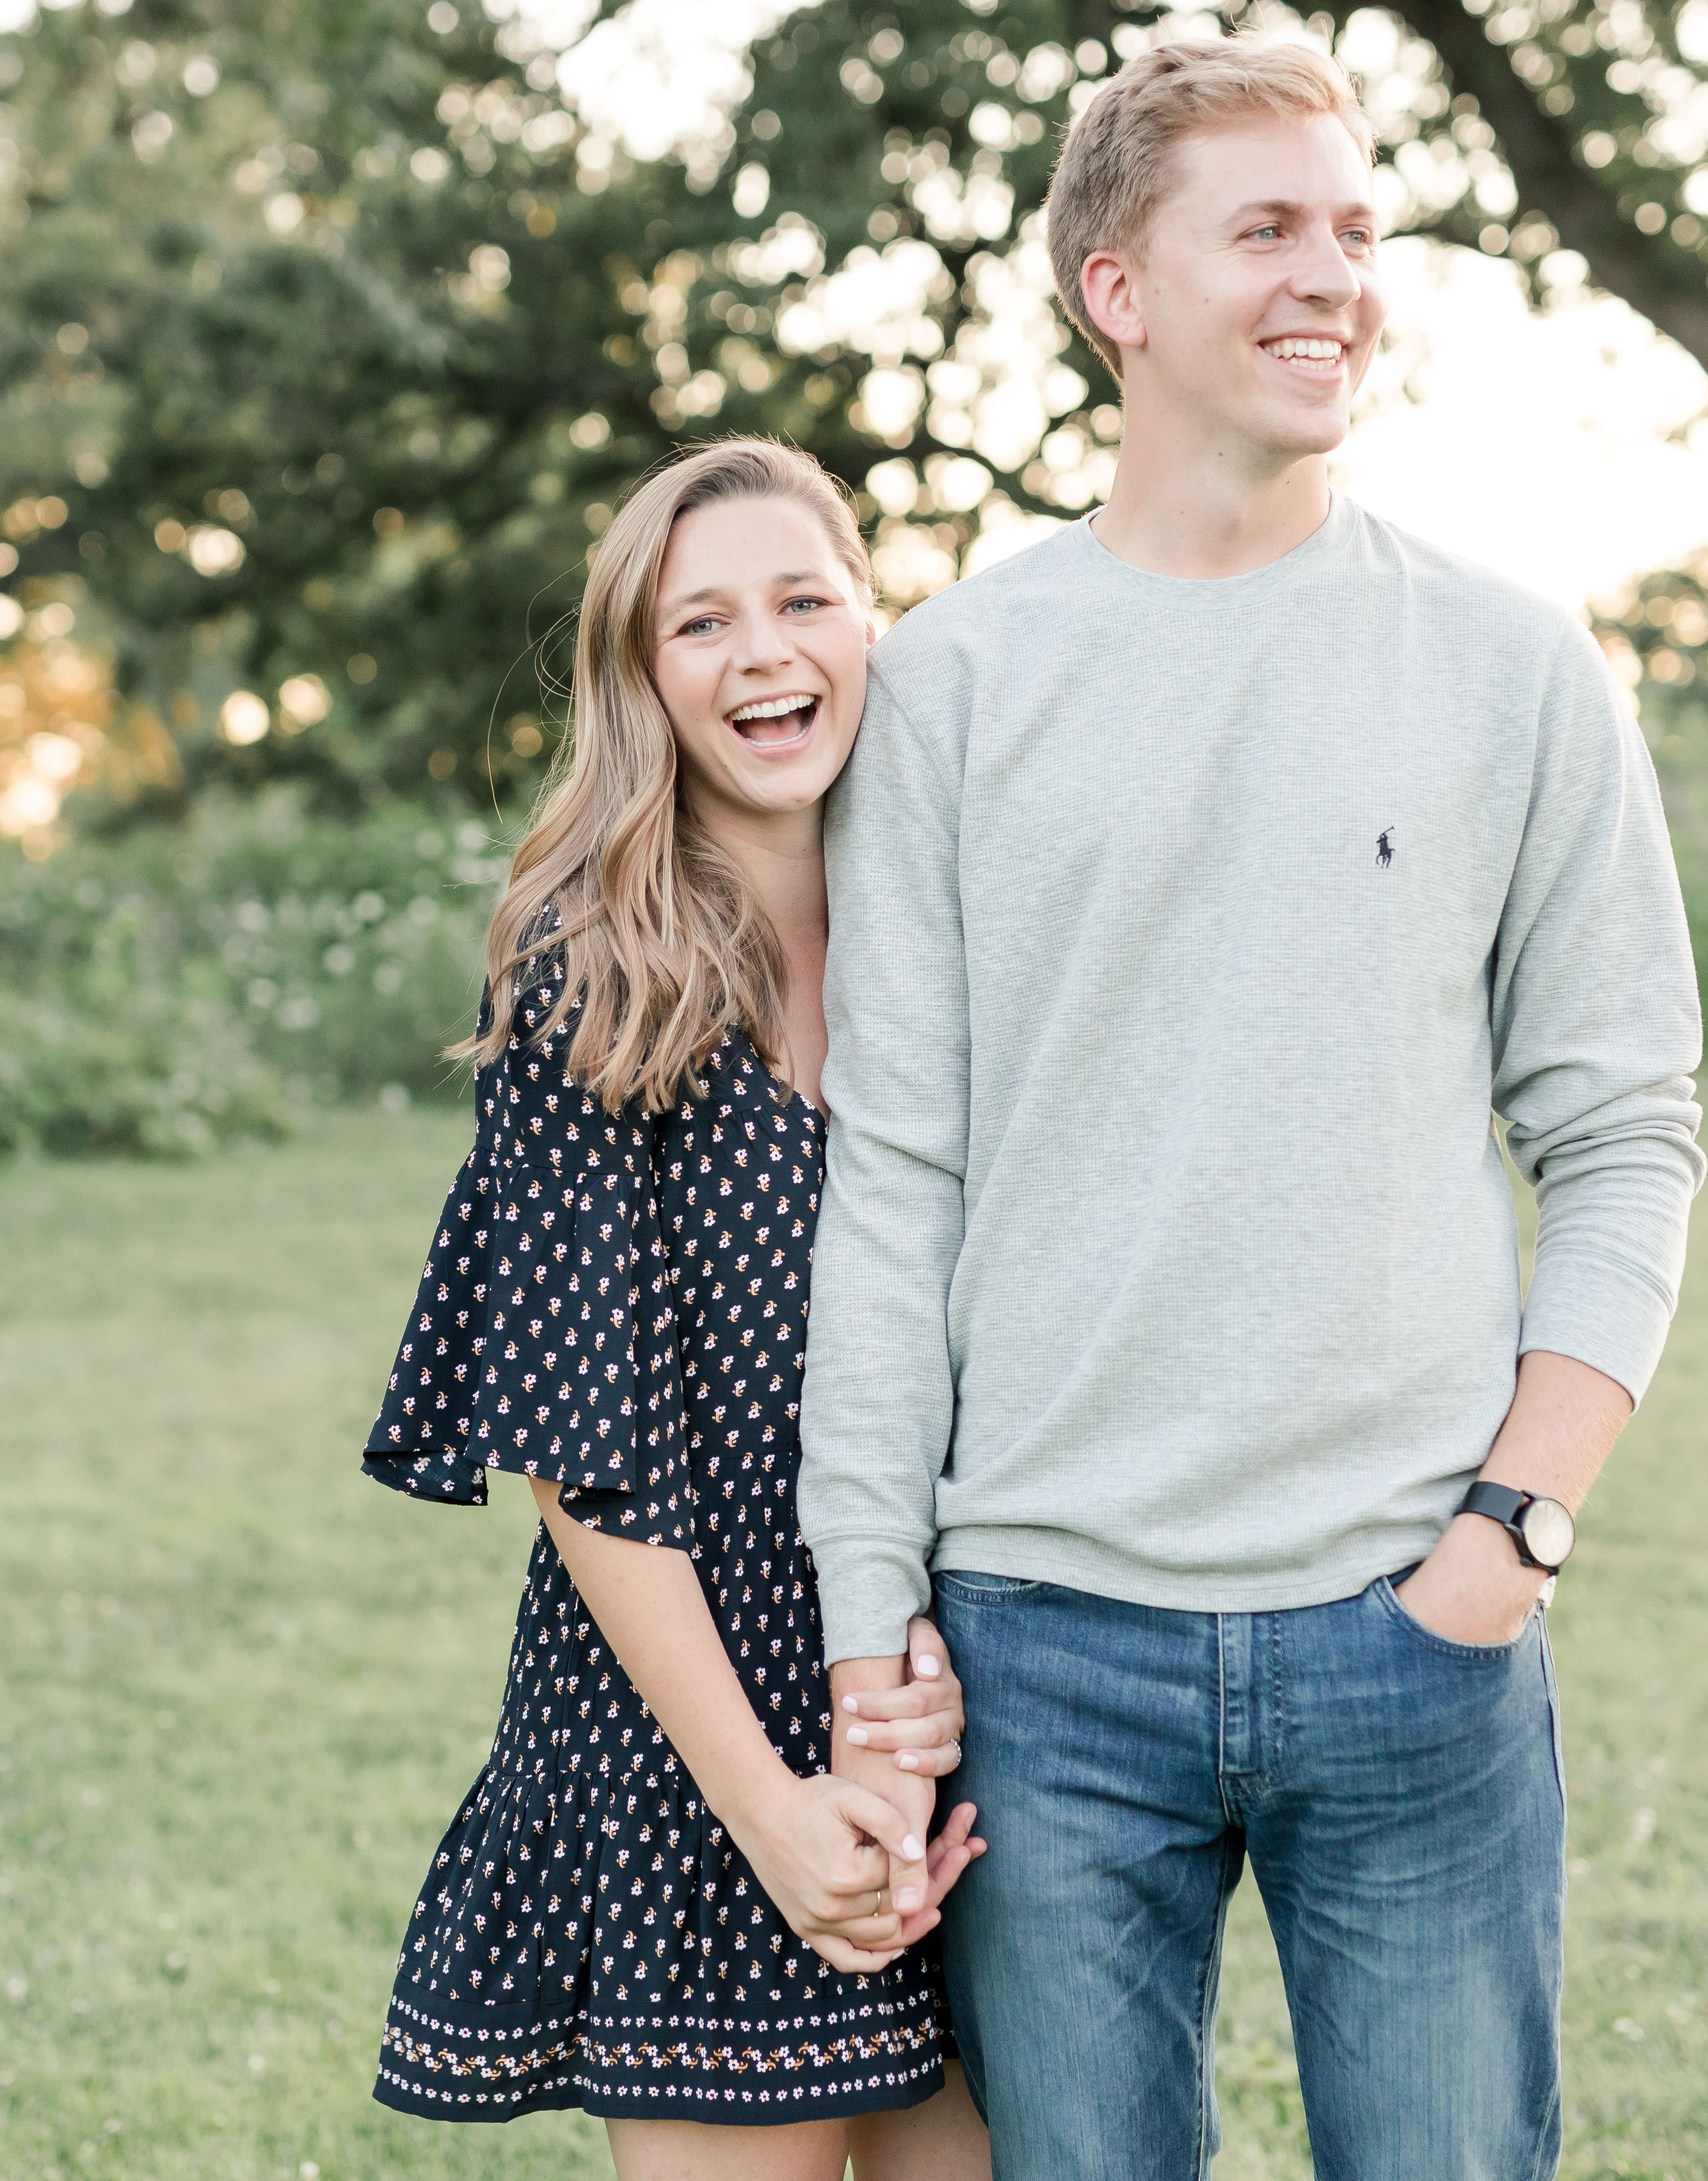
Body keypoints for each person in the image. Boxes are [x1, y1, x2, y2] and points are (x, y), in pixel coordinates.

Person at [799, 32, 1708, 2181]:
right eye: (1270, 229)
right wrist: (867, 1622)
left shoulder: (1509, 666)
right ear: (1118, 291)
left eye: (1360, 230)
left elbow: (1624, 1124)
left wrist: (1513, 1528)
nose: (1338, 277)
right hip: (1038, 1648)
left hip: (1413, 1626)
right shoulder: (950, 683)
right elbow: (892, 1180)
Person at [361, 437, 992, 2180]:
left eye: (804, 599)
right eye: (699, 623)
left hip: (954, 1707)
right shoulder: (594, 966)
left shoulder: (958, 937)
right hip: (698, 1729)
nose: (764, 652)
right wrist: (774, 1810)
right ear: (643, 681)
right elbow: (586, 1454)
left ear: (876, 624)